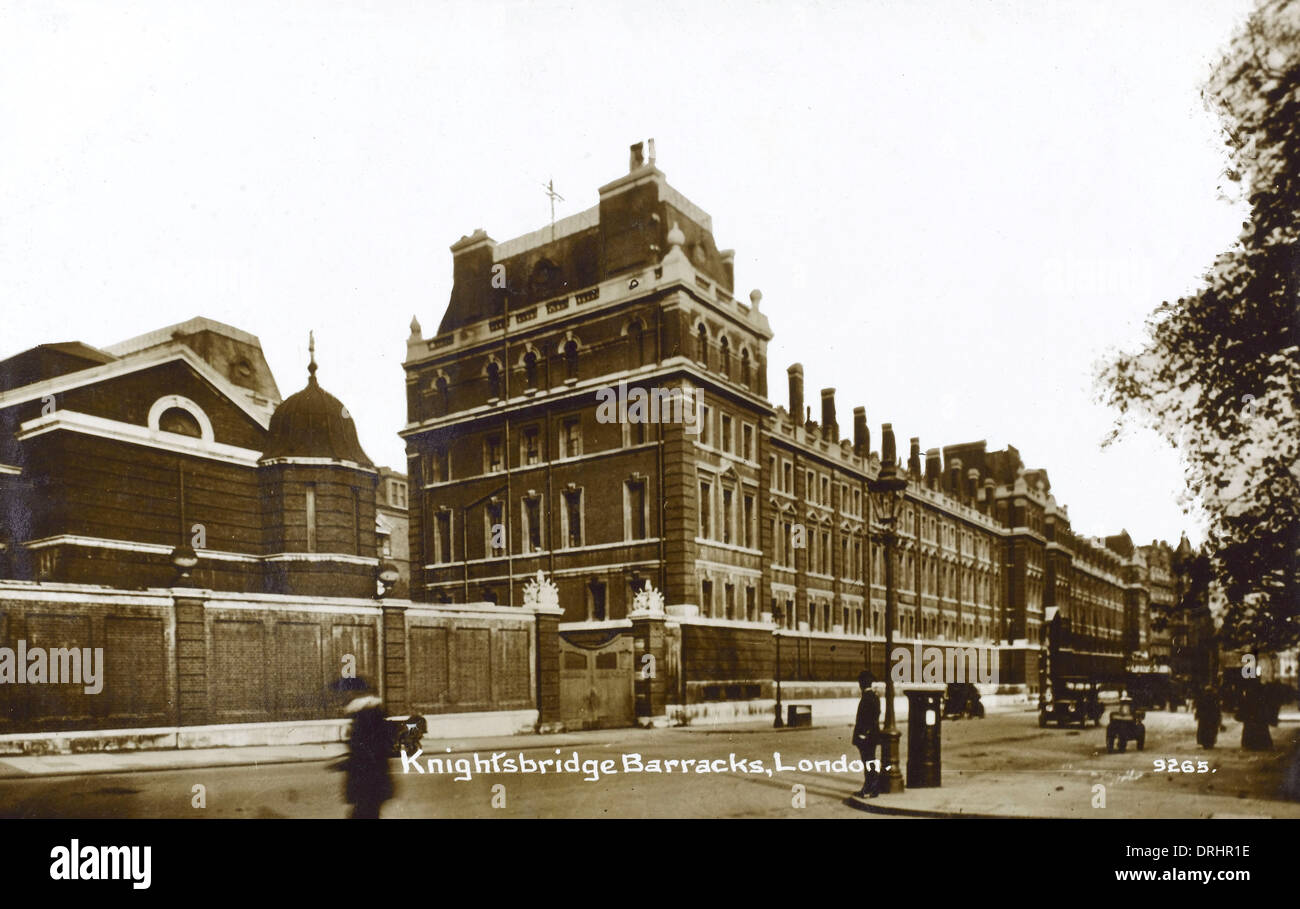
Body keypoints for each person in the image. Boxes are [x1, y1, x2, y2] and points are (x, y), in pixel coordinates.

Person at [335, 677, 395, 818]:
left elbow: (366, 752)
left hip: (368, 784)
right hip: (372, 783)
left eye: (348, 691)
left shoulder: (365, 717)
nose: (346, 695)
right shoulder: (370, 715)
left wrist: (345, 764)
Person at [852, 670, 881, 798]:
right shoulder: (873, 696)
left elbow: (870, 718)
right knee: (870, 761)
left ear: (862, 683)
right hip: (871, 736)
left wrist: (863, 733)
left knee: (868, 762)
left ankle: (869, 788)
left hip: (866, 736)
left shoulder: (868, 697)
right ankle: (872, 788)